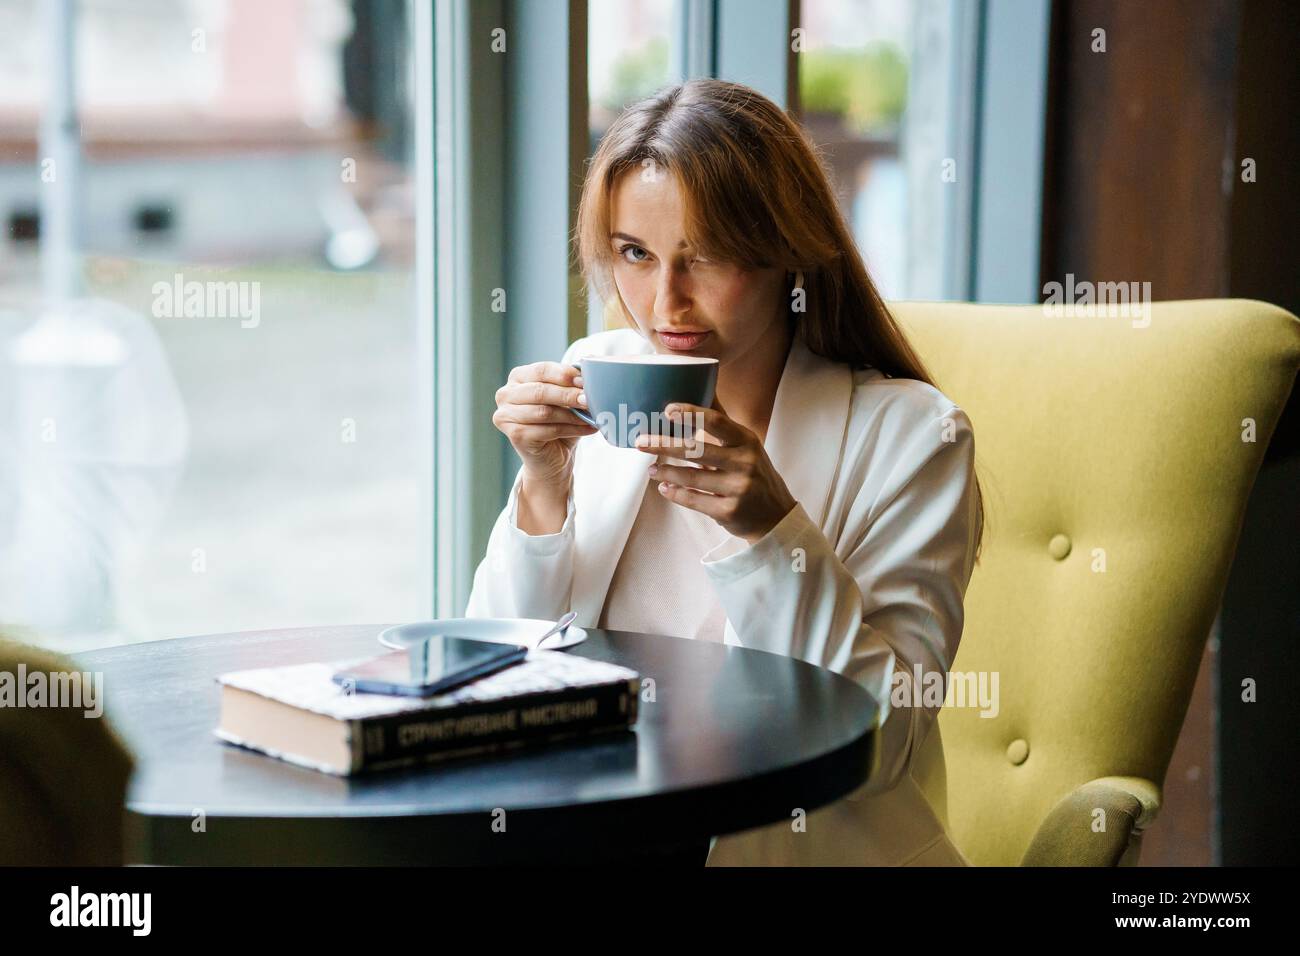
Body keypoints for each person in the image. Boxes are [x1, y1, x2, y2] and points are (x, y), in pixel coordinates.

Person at [466, 78, 985, 866]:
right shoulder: (596, 378)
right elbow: (493, 677)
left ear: (786, 253)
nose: (663, 302)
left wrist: (773, 533)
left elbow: (885, 745)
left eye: (703, 257)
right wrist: (543, 487)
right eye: (635, 255)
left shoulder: (916, 438)